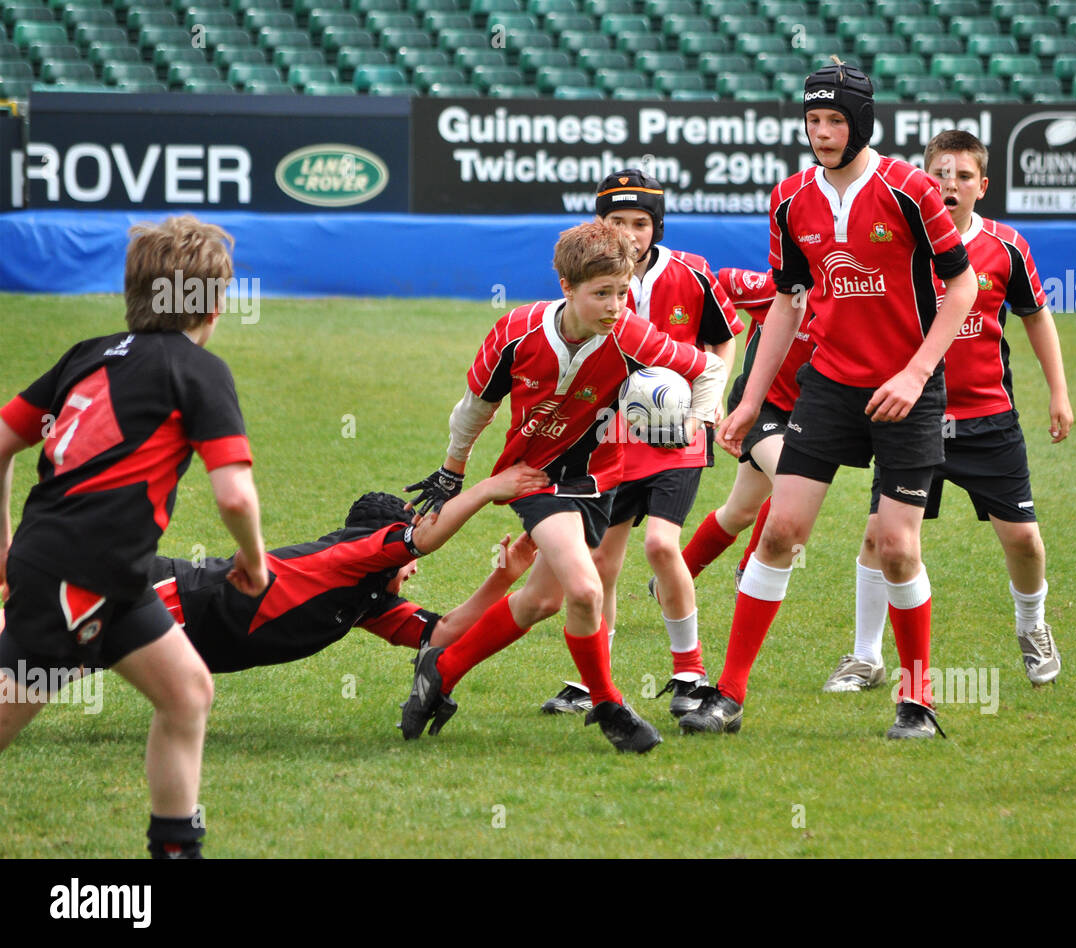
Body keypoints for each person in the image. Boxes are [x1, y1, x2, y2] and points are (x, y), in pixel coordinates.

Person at [683, 61, 978, 740]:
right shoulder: (790, 199)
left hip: (909, 389)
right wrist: (751, 401)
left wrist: (914, 375)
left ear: (862, 122)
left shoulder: (909, 188)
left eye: (835, 120)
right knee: (781, 531)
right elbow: (789, 304)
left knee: (898, 548)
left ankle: (918, 701)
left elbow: (960, 289)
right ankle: (727, 695)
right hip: (831, 385)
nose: (821, 133)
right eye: (813, 120)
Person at [401, 219, 726, 753]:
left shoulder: (631, 335)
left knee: (541, 600)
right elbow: (474, 410)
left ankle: (442, 669)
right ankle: (610, 707)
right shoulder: (517, 332)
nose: (616, 305)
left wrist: (696, 421)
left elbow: (708, 368)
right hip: (534, 478)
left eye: (623, 292)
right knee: (584, 589)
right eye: (602, 294)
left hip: (599, 481)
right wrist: (452, 472)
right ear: (566, 288)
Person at [0, 215, 268, 858]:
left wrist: (5, 542)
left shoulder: (87, 353)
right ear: (214, 303)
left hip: (109, 573)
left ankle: (175, 852)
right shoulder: (199, 371)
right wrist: (254, 562)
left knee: (187, 691)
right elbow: (233, 493)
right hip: (78, 577)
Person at [824, 129, 1072, 694]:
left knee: (1024, 540)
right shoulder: (898, 243)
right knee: (879, 540)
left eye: (963, 176)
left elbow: (1036, 316)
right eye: (940, 173)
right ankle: (865, 656)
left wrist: (1058, 392)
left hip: (988, 419)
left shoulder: (1006, 247)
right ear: (923, 180)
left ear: (982, 186)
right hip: (912, 417)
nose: (950, 185)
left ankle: (1032, 627)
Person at [537, 169, 743, 719]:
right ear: (598, 224)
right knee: (602, 557)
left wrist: (707, 407)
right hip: (609, 436)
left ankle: (690, 672)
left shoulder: (692, 274)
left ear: (657, 226)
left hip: (677, 435)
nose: (629, 234)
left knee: (660, 546)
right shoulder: (588, 276)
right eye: (616, 222)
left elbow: (722, 338)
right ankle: (590, 681)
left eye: (640, 223)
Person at [146, 465, 545, 675]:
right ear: (388, 541)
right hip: (169, 597)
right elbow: (424, 539)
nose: (414, 570)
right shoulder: (351, 555)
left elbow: (441, 635)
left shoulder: (365, 599)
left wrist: (504, 578)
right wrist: (488, 488)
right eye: (409, 560)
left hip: (176, 627)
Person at [679, 267, 817, 595]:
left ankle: (674, 578)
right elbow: (716, 284)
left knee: (739, 512)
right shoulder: (779, 287)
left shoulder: (849, 298)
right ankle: (752, 568)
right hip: (759, 406)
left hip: (813, 416)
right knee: (792, 480)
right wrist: (705, 354)